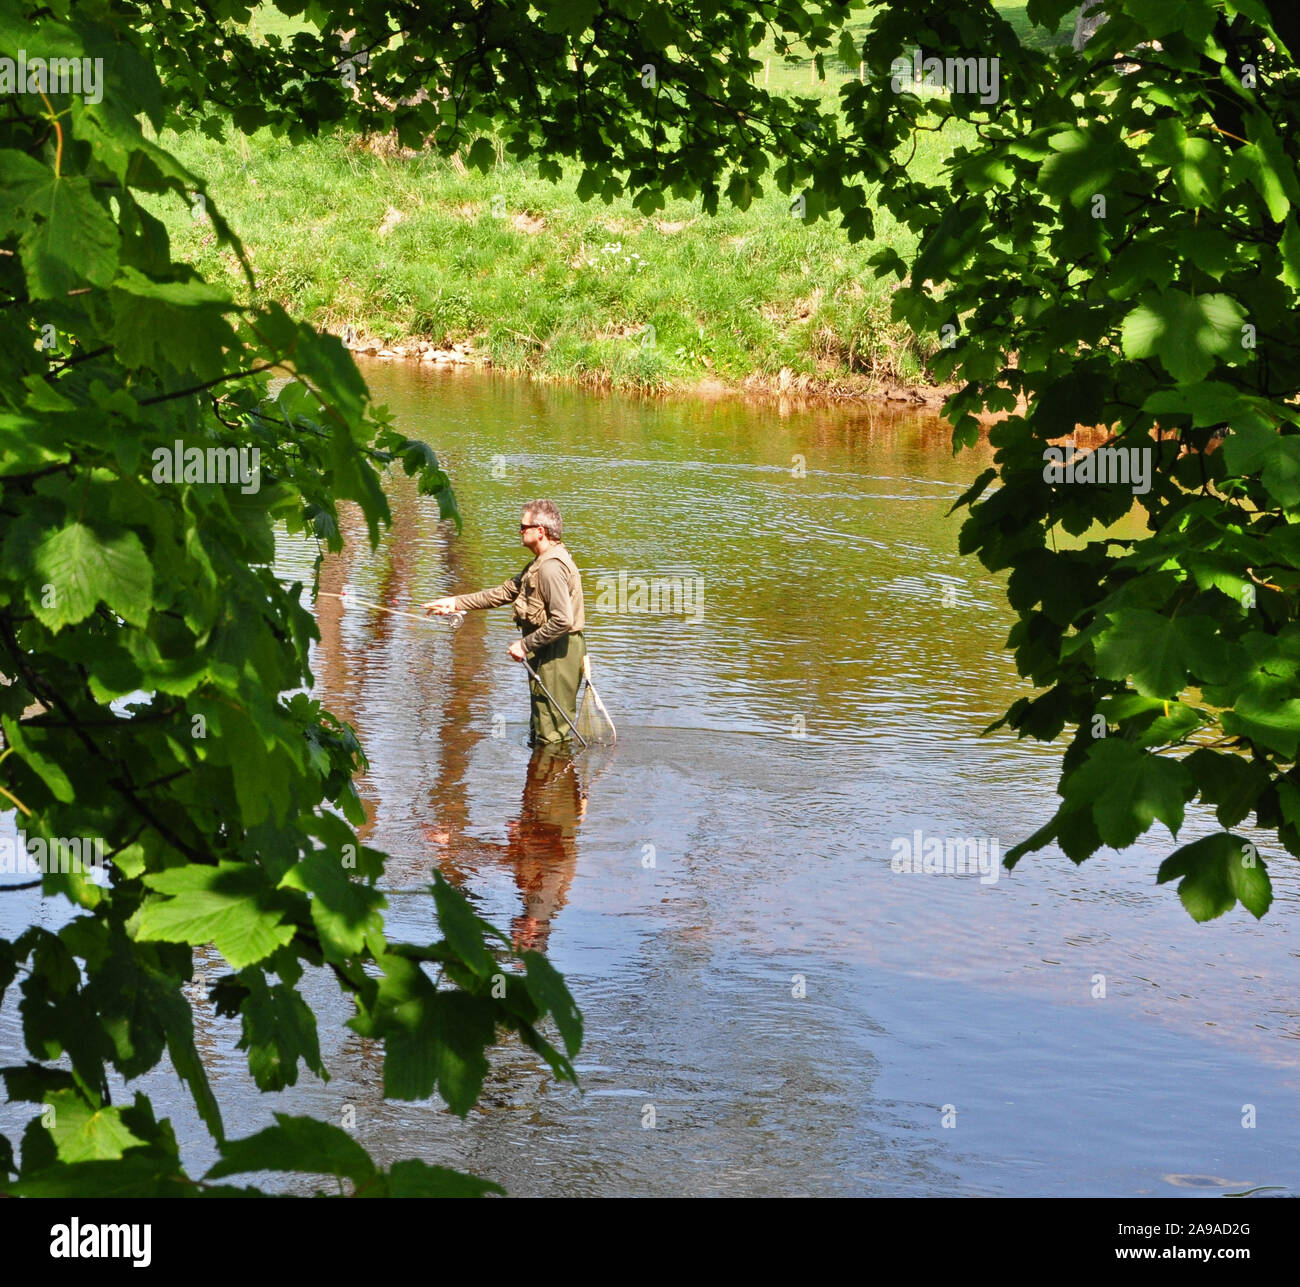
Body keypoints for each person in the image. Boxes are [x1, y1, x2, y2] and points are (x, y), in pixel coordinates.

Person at [424, 499, 586, 746]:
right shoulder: (539, 564)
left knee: (551, 733)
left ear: (540, 531)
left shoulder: (551, 568)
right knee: (542, 726)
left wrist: (525, 645)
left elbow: (563, 620)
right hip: (550, 649)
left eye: (523, 526)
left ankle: (554, 780)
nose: (519, 531)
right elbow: (503, 593)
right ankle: (543, 781)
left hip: (559, 652)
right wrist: (455, 603)